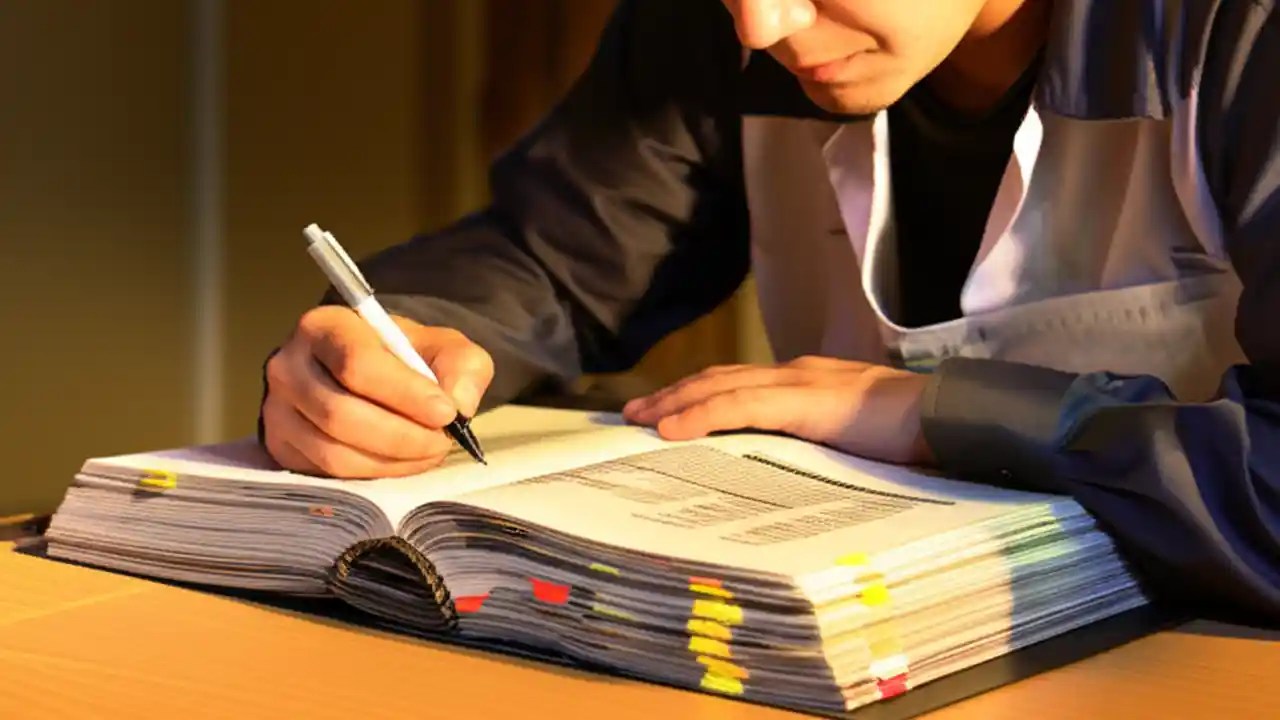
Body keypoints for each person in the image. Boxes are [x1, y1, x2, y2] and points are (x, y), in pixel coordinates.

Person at [258, 0, 1279, 621]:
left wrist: (930, 412)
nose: (760, 26)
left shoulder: (1244, 37)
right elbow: (547, 260)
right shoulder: (725, 24)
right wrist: (399, 336)